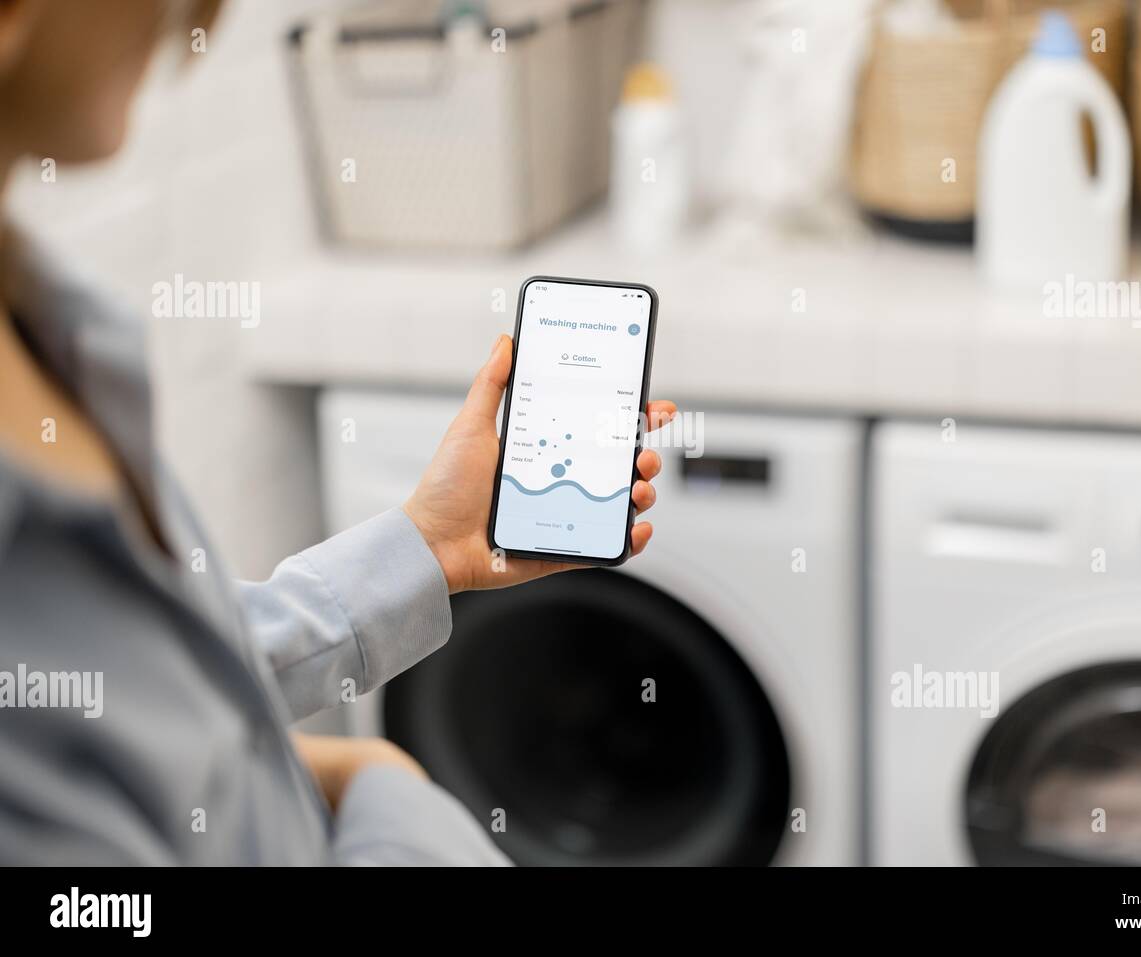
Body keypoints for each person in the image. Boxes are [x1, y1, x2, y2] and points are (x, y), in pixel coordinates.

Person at [0, 0, 674, 864]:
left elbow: (153, 684)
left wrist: (427, 545)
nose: (184, 19)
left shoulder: (56, 326)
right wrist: (391, 796)